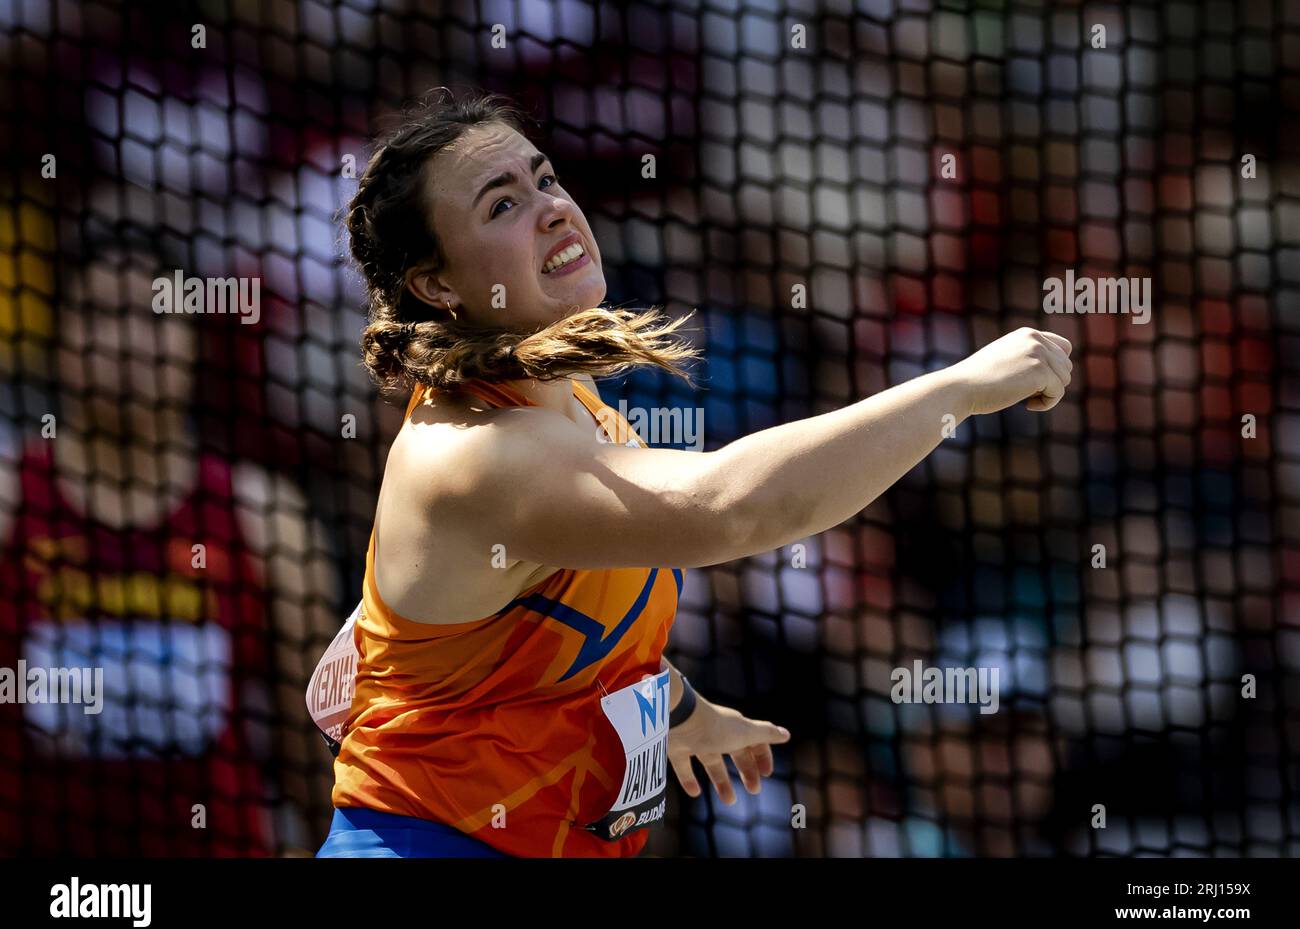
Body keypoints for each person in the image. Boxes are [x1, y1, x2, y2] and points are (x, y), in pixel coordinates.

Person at [314, 89, 1073, 859]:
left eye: (544, 180)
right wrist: (961, 388)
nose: (550, 209)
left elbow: (542, 637)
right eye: (500, 204)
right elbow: (730, 508)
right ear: (434, 284)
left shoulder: (578, 407)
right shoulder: (472, 453)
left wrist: (678, 705)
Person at [0, 237, 337, 855]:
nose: (128, 342)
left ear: (192, 341)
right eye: (102, 315)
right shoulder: (9, 503)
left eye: (154, 315)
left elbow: (312, 749)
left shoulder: (265, 519)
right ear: (61, 339)